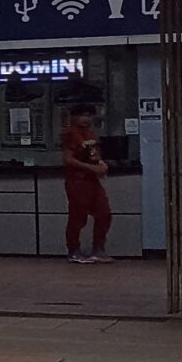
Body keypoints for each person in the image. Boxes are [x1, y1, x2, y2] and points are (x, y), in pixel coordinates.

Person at [62, 104, 113, 264]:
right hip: (77, 181)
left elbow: (93, 154)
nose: (86, 119)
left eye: (89, 115)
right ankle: (73, 251)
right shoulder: (71, 133)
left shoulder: (90, 133)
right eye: (82, 115)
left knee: (104, 214)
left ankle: (98, 249)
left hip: (92, 181)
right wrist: (92, 168)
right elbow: (68, 159)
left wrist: (101, 164)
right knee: (78, 217)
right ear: (74, 116)